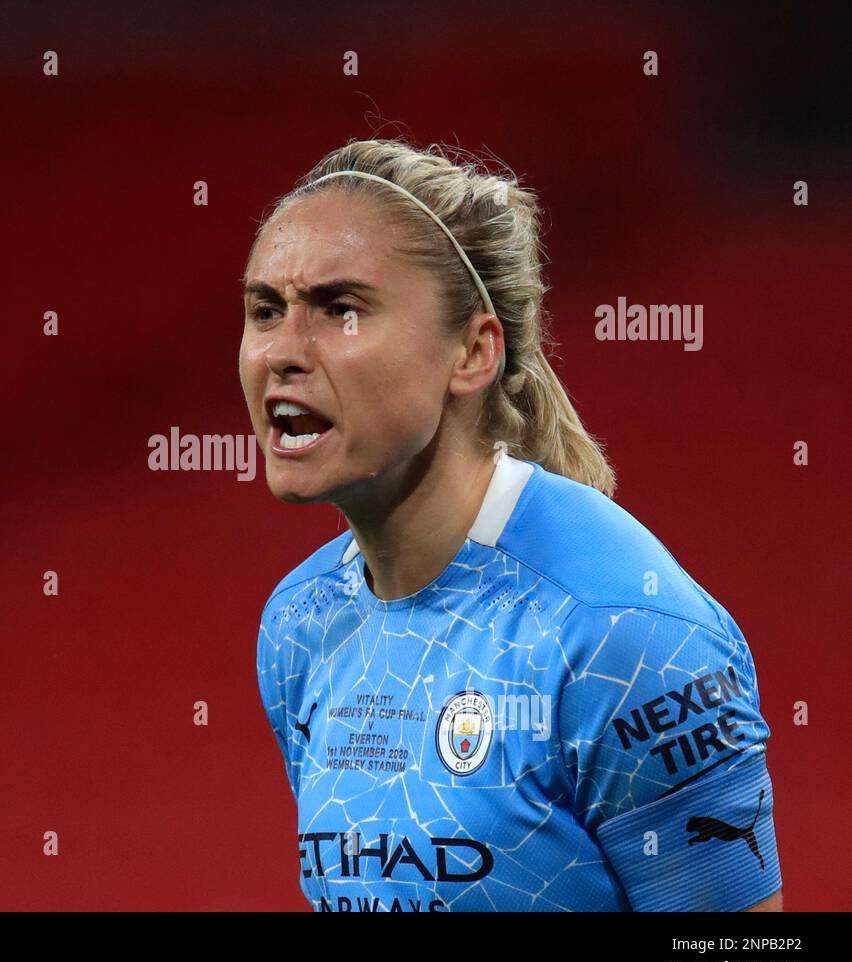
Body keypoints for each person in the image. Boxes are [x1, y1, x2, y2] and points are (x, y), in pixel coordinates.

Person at [239, 138, 782, 912]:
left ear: (473, 351)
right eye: (266, 310)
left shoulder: (620, 636)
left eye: (341, 309)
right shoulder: (300, 625)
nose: (282, 353)